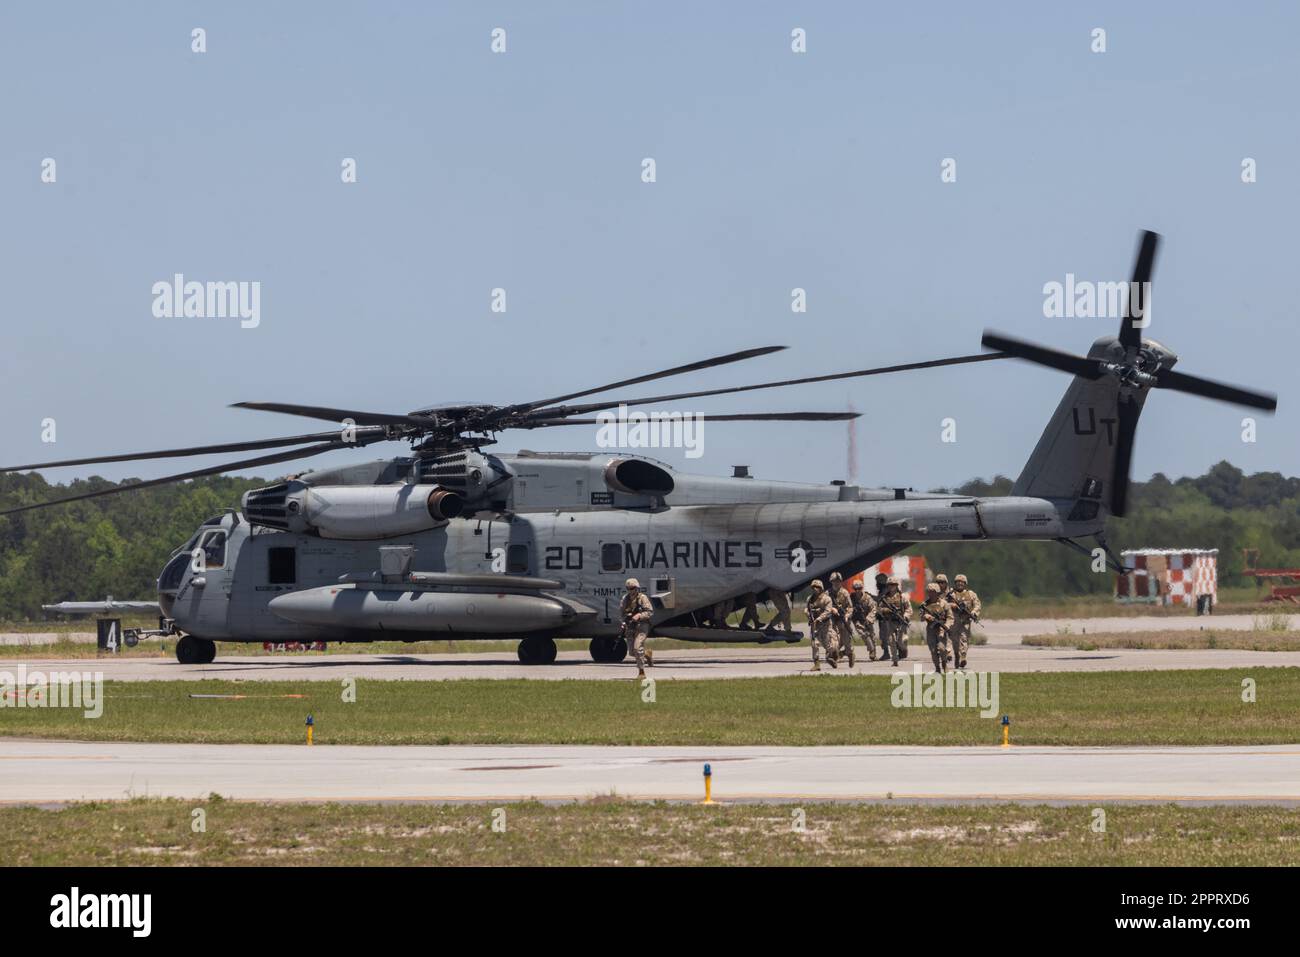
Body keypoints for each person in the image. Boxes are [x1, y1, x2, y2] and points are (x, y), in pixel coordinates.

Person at [620, 577, 654, 678]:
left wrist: (639, 615)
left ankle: (641, 672)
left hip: (642, 625)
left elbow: (650, 612)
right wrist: (623, 623)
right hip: (630, 627)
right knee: (631, 652)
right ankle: (647, 654)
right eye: (629, 588)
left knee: (637, 647)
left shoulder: (642, 598)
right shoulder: (625, 599)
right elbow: (622, 614)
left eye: (633, 588)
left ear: (637, 588)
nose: (631, 590)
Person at [947, 573, 982, 670]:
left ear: (965, 583)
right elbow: (942, 603)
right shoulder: (951, 594)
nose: (960, 584)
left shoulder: (971, 594)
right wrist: (951, 605)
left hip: (965, 620)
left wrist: (974, 613)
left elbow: (977, 605)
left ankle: (963, 657)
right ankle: (948, 653)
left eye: (962, 582)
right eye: (958, 582)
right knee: (950, 637)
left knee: (964, 639)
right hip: (953, 619)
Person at [875, 576, 912, 666]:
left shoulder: (902, 597)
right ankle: (895, 660)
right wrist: (885, 611)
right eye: (889, 585)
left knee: (900, 641)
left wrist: (906, 616)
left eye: (893, 585)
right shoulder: (884, 597)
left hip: (901, 621)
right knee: (891, 640)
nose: (891, 587)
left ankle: (904, 649)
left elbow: (909, 609)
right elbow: (879, 609)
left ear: (896, 586)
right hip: (890, 621)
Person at [920, 582, 954, 674]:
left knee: (942, 648)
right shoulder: (925, 604)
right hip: (931, 629)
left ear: (937, 592)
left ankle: (944, 664)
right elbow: (921, 617)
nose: (930, 593)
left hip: (941, 629)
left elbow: (950, 617)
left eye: (933, 592)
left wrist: (946, 626)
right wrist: (926, 616)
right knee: (933, 650)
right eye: (929, 591)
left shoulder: (944, 604)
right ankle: (937, 667)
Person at [804, 580, 835, 671]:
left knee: (827, 644)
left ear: (821, 588)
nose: (815, 589)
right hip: (814, 625)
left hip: (825, 624)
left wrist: (819, 618)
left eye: (817, 587)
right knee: (814, 644)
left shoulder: (827, 599)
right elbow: (808, 608)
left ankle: (831, 657)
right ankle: (817, 663)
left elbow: (828, 611)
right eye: (813, 587)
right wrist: (807, 613)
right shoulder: (809, 598)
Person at [826, 572, 856, 667]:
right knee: (833, 643)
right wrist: (831, 609)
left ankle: (851, 655)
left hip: (843, 621)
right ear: (831, 582)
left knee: (847, 644)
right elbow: (823, 606)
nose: (836, 583)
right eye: (834, 581)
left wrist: (847, 615)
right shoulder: (827, 593)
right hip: (832, 621)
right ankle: (832, 658)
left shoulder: (845, 593)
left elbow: (850, 607)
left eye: (838, 581)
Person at [849, 579, 879, 661]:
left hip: (867, 618)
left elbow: (873, 608)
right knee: (863, 634)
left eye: (859, 588)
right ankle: (871, 650)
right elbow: (847, 607)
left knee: (872, 635)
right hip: (857, 619)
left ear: (862, 588)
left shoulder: (867, 598)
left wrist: (869, 618)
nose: (857, 590)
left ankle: (873, 654)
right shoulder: (851, 597)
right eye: (855, 589)